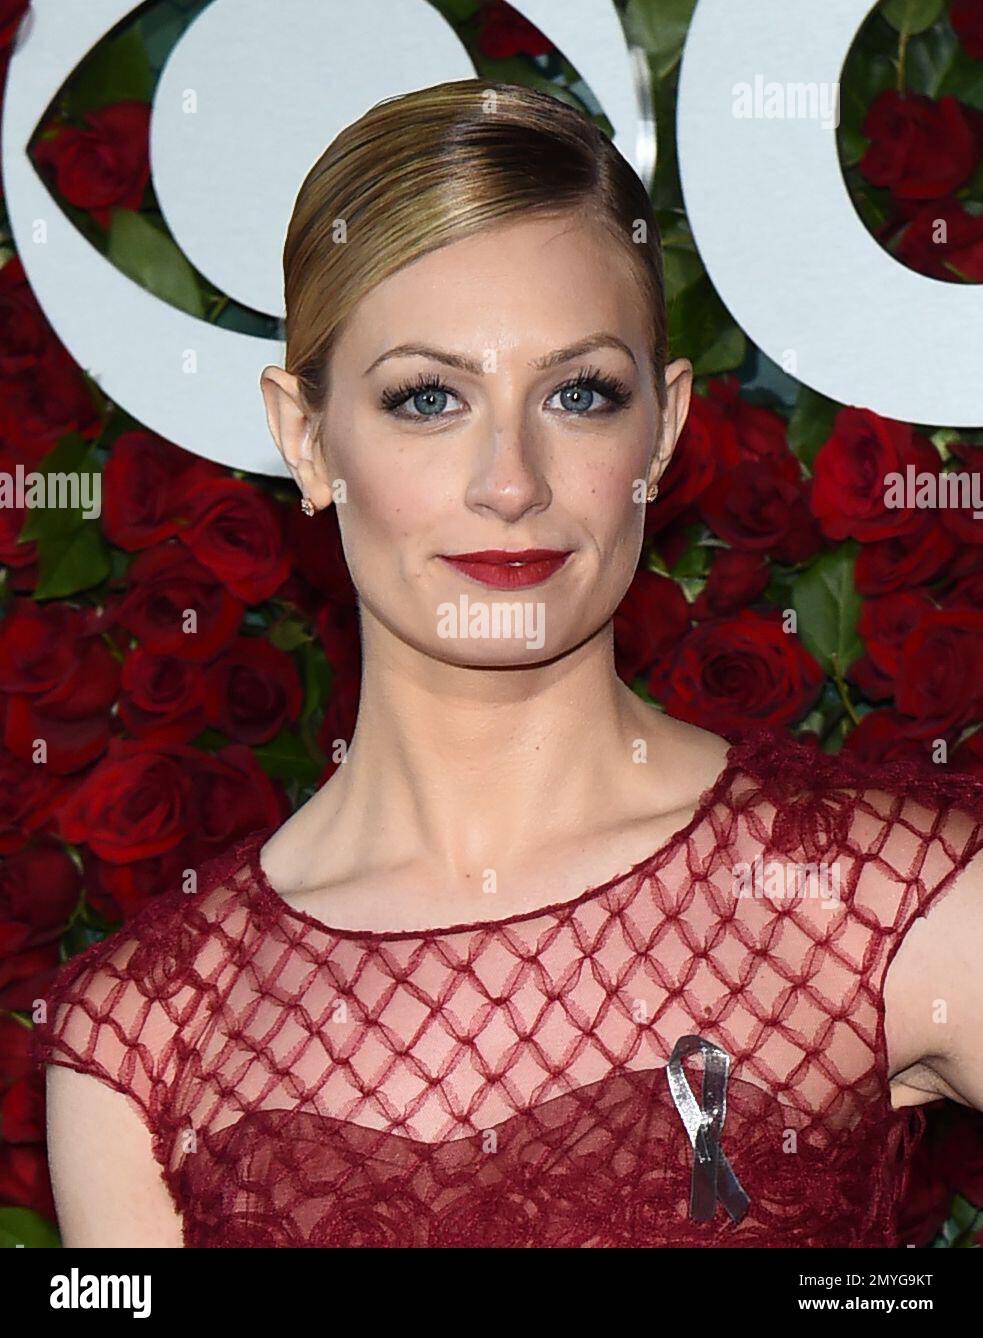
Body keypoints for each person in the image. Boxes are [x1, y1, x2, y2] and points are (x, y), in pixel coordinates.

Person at [34, 79, 983, 1248]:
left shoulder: (886, 904)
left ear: (664, 429)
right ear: (305, 439)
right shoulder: (145, 1044)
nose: (511, 482)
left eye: (579, 394)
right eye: (426, 398)